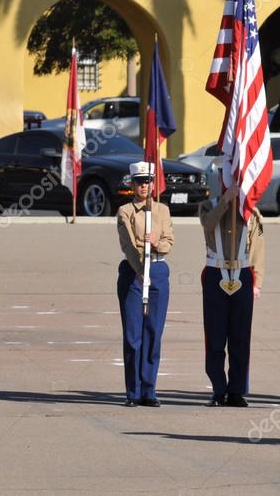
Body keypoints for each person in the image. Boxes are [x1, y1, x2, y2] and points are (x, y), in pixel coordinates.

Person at [198, 158, 265, 407]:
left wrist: (258, 280)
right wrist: (227, 201)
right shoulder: (208, 205)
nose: (230, 183)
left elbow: (259, 248)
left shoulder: (251, 212)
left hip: (242, 275)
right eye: (226, 178)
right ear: (220, 180)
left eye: (234, 178)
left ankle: (236, 390)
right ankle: (218, 388)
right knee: (215, 336)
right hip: (216, 274)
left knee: (240, 336)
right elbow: (209, 223)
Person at [115, 161, 174, 407]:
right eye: (139, 181)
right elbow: (128, 245)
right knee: (133, 335)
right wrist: (140, 269)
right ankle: (133, 391)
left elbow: (169, 241)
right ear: (132, 183)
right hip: (134, 271)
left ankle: (149, 390)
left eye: (147, 181)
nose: (143, 186)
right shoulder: (125, 211)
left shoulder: (162, 210)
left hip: (158, 270)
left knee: (153, 332)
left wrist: (155, 243)